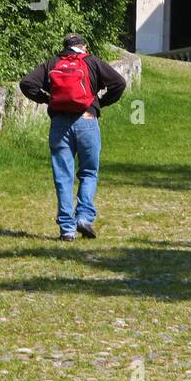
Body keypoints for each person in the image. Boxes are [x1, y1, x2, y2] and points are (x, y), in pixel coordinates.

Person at [20, 34, 127, 240]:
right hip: (87, 120)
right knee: (88, 172)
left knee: (63, 177)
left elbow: (27, 83)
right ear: (83, 46)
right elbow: (119, 83)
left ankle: (67, 229)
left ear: (65, 48)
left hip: (60, 124)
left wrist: (46, 99)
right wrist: (99, 104)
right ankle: (84, 218)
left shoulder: (53, 62)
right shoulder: (91, 61)